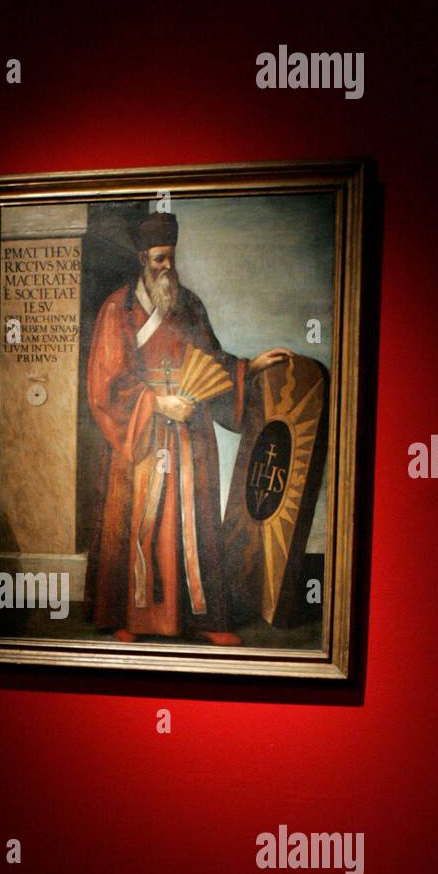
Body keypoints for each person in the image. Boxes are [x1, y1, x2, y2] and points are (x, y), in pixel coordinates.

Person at [84, 212, 292, 642]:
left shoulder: (190, 304)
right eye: (159, 258)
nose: (167, 267)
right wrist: (158, 402)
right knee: (140, 521)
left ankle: (203, 619)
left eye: (171, 258)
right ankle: (133, 619)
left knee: (193, 523)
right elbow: (106, 384)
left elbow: (211, 363)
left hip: (190, 434)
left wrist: (249, 368)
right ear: (143, 257)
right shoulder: (116, 310)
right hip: (142, 435)